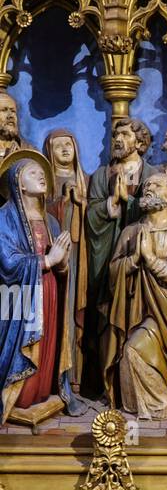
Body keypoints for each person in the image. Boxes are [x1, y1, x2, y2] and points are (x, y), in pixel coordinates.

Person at [104, 171, 167, 419]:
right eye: (147, 186)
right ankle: (138, 406)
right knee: (127, 354)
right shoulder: (131, 231)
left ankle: (160, 401)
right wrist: (133, 259)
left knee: (134, 351)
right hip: (134, 308)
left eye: (156, 185)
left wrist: (150, 258)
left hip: (165, 312)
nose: (148, 188)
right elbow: (113, 271)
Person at [85, 117, 159, 392]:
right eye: (116, 135)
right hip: (108, 259)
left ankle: (134, 385)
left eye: (125, 135)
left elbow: (160, 211)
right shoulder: (102, 175)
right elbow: (92, 215)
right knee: (105, 317)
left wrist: (131, 202)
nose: (118, 140)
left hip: (142, 261)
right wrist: (111, 203)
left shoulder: (153, 174)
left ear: (140, 143)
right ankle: (106, 384)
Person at [0, 155, 71, 423]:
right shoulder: (4, 218)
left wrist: (62, 263)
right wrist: (48, 260)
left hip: (49, 289)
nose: (42, 176)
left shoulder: (50, 221)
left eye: (43, 172)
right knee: (26, 343)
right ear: (19, 183)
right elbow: (7, 262)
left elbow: (60, 265)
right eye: (33, 173)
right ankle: (19, 396)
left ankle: (44, 391)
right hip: (19, 296)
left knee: (49, 340)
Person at [43, 128, 90, 410]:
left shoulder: (86, 181)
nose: (64, 149)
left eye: (68, 145)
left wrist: (81, 203)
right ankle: (57, 379)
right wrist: (62, 202)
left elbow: (97, 222)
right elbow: (40, 217)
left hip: (80, 260)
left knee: (75, 317)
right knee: (58, 316)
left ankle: (76, 379)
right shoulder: (44, 184)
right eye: (58, 145)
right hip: (55, 259)